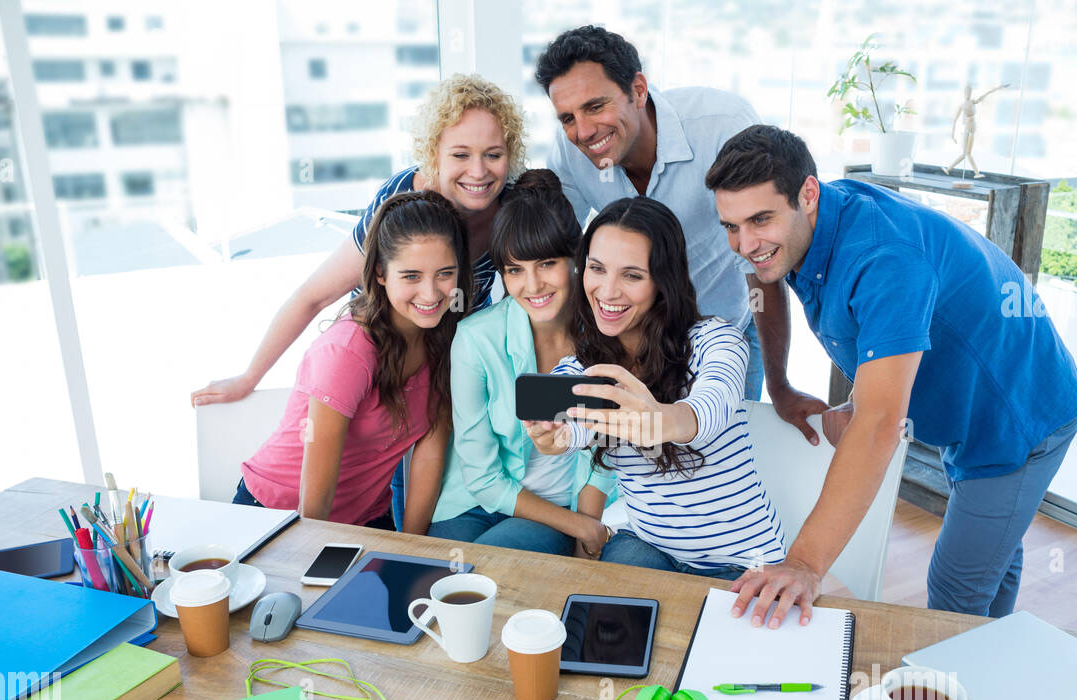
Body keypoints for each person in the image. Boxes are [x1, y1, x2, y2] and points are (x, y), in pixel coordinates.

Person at [705, 125, 1077, 626]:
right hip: (973, 400)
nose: (745, 243)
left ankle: (966, 687)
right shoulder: (797, 231)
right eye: (730, 226)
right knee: (993, 554)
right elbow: (763, 274)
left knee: (955, 589)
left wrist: (803, 565)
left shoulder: (884, 259)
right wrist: (778, 383)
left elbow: (882, 425)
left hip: (1019, 417)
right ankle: (996, 658)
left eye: (760, 220)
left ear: (808, 195)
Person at [191, 73, 525, 408]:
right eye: (461, 155)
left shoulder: (511, 212)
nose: (479, 171)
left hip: (446, 368)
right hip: (379, 355)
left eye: (493, 155)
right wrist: (249, 378)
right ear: (434, 155)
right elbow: (314, 297)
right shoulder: (402, 201)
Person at [527, 196, 786, 579]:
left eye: (632, 275)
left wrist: (663, 420)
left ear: (663, 282)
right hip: (647, 548)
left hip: (742, 562)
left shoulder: (718, 340)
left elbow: (714, 402)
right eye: (597, 269)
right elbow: (576, 420)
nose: (608, 291)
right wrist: (556, 436)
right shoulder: (582, 366)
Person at [534, 24, 790, 402]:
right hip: (634, 339)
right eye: (568, 117)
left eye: (595, 106)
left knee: (720, 450)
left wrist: (781, 386)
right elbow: (553, 249)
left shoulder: (722, 129)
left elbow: (762, 260)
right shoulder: (569, 149)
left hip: (724, 330)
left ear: (638, 90)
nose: (583, 131)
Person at [234, 192, 472, 532]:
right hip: (280, 517)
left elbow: (430, 452)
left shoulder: (447, 339)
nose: (431, 293)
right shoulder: (348, 352)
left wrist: (412, 548)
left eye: (445, 274)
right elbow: (314, 508)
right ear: (379, 274)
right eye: (411, 276)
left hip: (366, 520)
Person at [427, 170, 615, 557]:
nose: (532, 285)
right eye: (514, 270)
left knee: (489, 571)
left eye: (546, 263)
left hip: (550, 514)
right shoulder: (477, 339)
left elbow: (607, 454)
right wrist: (579, 527)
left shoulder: (607, 334)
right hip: (472, 504)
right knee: (436, 581)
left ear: (575, 257)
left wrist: (585, 530)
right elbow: (481, 476)